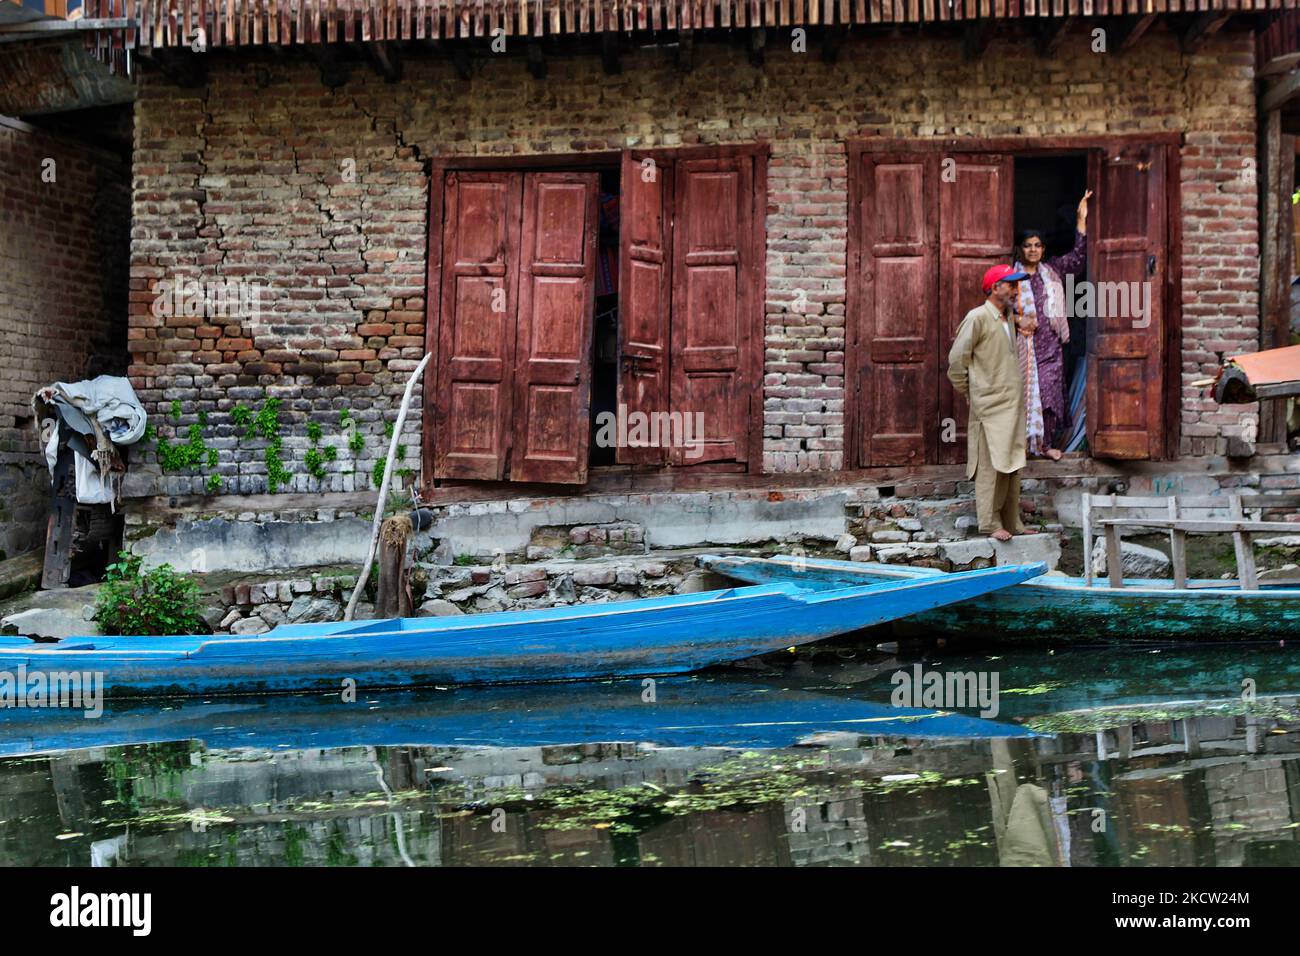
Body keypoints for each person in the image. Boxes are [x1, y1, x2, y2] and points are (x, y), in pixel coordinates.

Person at [948, 264, 1033, 542]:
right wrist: (972, 394)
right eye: (1010, 284)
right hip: (989, 407)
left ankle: (1013, 522)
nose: (1015, 289)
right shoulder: (978, 318)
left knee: (1012, 464)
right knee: (990, 466)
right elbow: (956, 363)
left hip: (1011, 406)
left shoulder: (1006, 318)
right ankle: (989, 523)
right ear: (995, 287)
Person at [1011, 191, 1091, 461]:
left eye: (1038, 245)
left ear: (1044, 249)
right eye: (1028, 245)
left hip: (1051, 349)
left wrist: (1081, 220)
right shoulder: (1011, 279)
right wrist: (1016, 319)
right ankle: (1023, 445)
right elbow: (997, 309)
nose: (1033, 249)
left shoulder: (1052, 270)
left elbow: (1078, 259)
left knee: (1050, 396)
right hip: (1023, 347)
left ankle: (1044, 445)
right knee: (1022, 396)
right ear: (1020, 249)